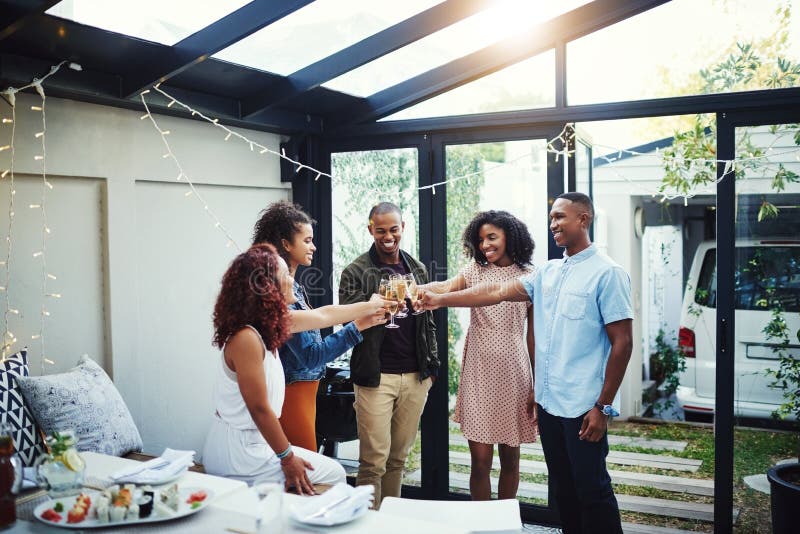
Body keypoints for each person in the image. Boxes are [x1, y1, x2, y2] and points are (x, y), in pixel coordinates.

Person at [418, 192, 633, 533]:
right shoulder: (548, 272)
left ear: (584, 219)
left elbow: (622, 344)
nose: (554, 224)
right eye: (551, 218)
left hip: (583, 406)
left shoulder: (608, 273)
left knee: (592, 491)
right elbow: (495, 292)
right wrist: (437, 298)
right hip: (549, 404)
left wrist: (603, 406)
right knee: (564, 490)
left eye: (561, 216)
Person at [203, 244, 388, 494]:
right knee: (334, 474)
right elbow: (259, 409)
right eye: (285, 275)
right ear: (268, 286)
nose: (292, 279)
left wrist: (370, 307)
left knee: (332, 474)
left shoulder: (270, 324)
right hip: (238, 452)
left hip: (254, 445)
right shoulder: (246, 338)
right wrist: (287, 458)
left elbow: (325, 315)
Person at [421, 210, 537, 500]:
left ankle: (506, 524)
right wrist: (415, 289)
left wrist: (538, 384)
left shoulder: (529, 278)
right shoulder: (475, 270)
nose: (485, 244)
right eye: (481, 239)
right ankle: (482, 524)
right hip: (479, 374)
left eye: (492, 237)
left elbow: (535, 337)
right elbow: (445, 287)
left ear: (510, 237)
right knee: (480, 463)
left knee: (511, 461)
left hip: (514, 375)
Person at [252, 201, 385, 452]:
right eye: (307, 240)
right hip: (294, 394)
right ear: (286, 244)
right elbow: (313, 354)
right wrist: (360, 322)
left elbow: (324, 318)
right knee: (306, 472)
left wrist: (363, 320)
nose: (314, 246)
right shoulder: (279, 296)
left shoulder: (293, 288)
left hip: (305, 392)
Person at [339, 202, 440, 507]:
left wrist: (431, 368)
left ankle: (391, 522)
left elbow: (428, 321)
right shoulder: (355, 272)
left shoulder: (417, 269)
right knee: (373, 462)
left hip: (415, 376)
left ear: (402, 228)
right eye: (381, 230)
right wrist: (380, 305)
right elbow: (347, 321)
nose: (388, 236)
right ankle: (367, 525)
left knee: (398, 459)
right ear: (371, 230)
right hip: (375, 376)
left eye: (393, 229)